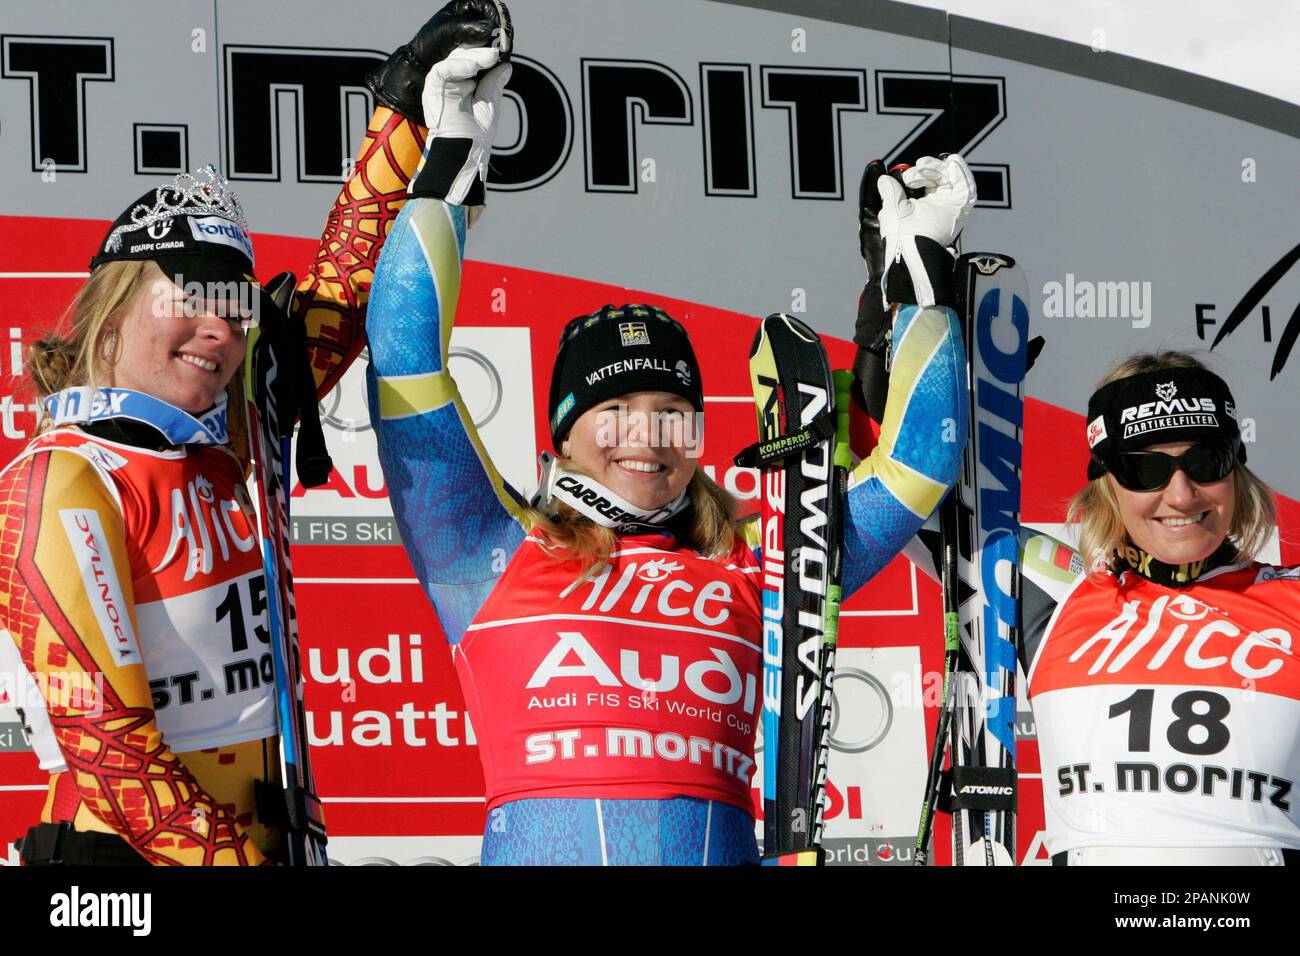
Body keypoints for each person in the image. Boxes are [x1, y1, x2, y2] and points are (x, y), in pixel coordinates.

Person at [365, 31, 976, 863]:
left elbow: (918, 465)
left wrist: (922, 275)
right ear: (564, 432)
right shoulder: (481, 545)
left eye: (670, 410)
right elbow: (404, 356)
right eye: (613, 407)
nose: (644, 436)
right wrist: (448, 165)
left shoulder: (768, 562)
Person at [0, 0, 509, 866]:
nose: (220, 329)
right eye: (189, 297)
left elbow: (338, 301)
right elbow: (114, 754)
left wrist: (409, 113)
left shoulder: (233, 436)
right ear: (113, 311)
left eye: (235, 307)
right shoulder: (61, 480)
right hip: (127, 867)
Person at [1020, 350, 1299, 865]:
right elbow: (899, 495)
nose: (1180, 493)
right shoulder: (1052, 589)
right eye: (1145, 469)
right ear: (1105, 481)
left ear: (1236, 468)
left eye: (1205, 463)